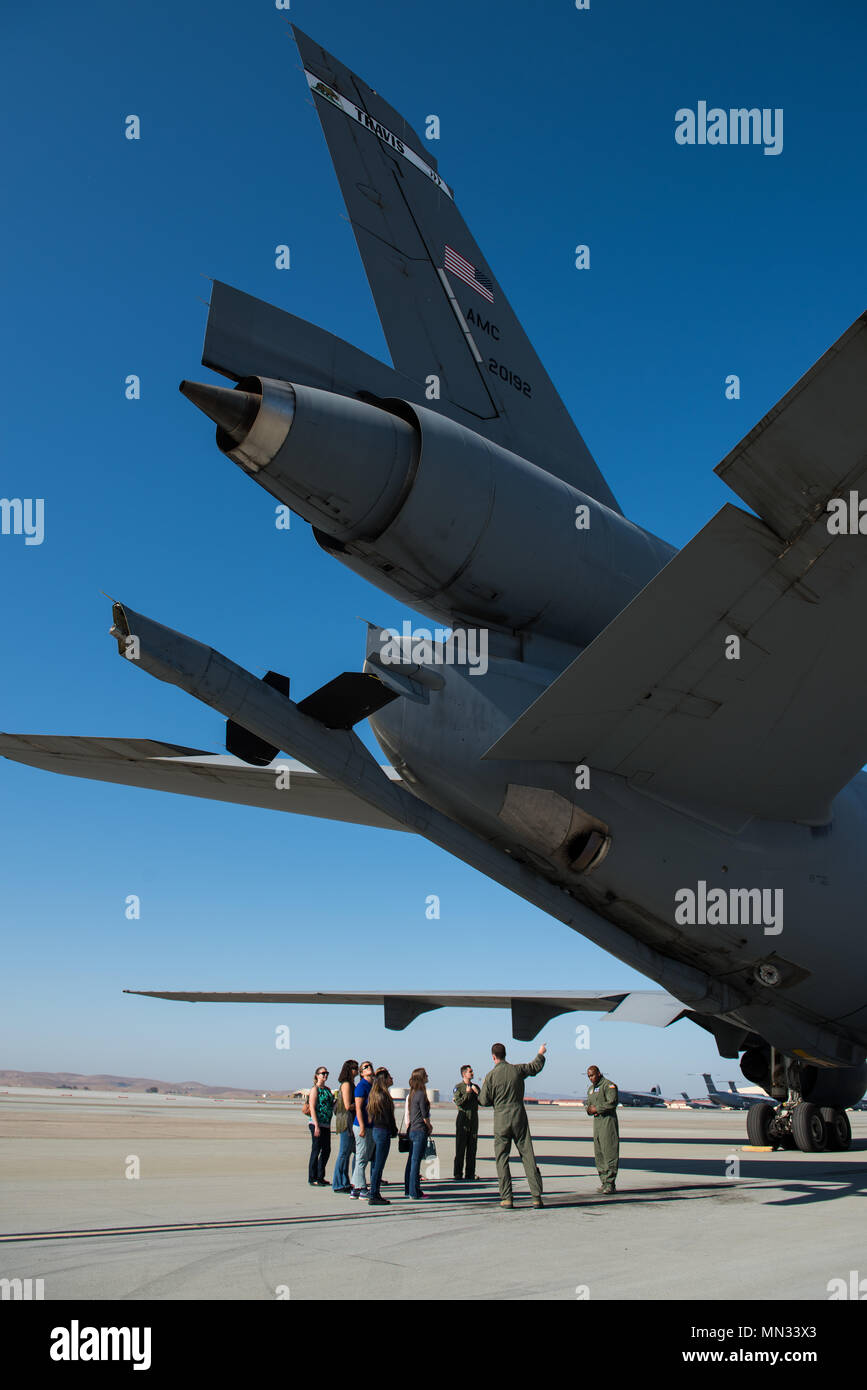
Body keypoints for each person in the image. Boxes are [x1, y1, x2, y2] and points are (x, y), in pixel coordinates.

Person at [478, 1042, 546, 1209]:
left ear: (493, 1056)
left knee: (502, 1158)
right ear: (505, 1054)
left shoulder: (491, 1076)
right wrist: (541, 1053)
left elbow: (484, 1101)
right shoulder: (517, 1070)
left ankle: (507, 1198)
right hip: (519, 1117)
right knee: (528, 1155)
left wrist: (481, 1092)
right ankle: (536, 1197)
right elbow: (535, 1067)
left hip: (501, 1120)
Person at [586, 1064, 619, 1194]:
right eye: (589, 1076)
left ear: (598, 1073)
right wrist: (589, 1110)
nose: (591, 1078)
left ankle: (610, 1183)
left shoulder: (609, 1086)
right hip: (597, 1124)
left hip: (608, 1123)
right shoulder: (590, 1090)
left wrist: (596, 1108)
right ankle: (604, 1181)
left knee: (609, 1152)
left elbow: (612, 1103)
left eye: (592, 1075)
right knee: (599, 1154)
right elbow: (589, 1105)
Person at [367, 1067, 397, 1206]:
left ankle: (374, 1192)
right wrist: (393, 1129)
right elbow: (388, 1117)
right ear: (384, 1079)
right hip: (382, 1131)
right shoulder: (383, 1096)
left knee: (376, 1164)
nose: (391, 1079)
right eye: (389, 1077)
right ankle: (374, 1194)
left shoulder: (375, 1094)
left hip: (377, 1130)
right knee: (378, 1164)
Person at [404, 1067, 432, 1199]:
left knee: (411, 1161)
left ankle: (408, 1189)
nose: (427, 1076)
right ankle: (414, 1191)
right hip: (420, 1130)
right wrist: (429, 1125)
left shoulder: (413, 1093)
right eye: (425, 1075)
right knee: (415, 1162)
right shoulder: (421, 1093)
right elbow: (424, 1114)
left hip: (412, 1130)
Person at [331, 1060, 358, 1193]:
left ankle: (344, 1181)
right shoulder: (347, 1084)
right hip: (346, 1121)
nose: (357, 1070)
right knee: (343, 1153)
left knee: (347, 1153)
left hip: (349, 1121)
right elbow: (348, 1105)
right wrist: (361, 1104)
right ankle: (338, 1183)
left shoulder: (351, 1084)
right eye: (354, 1068)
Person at [350, 1060, 375, 1199]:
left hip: (370, 1125)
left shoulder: (372, 1085)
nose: (369, 1068)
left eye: (370, 1066)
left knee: (364, 1157)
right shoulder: (361, 1086)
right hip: (361, 1126)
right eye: (365, 1067)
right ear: (361, 1072)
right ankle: (362, 1188)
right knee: (361, 1157)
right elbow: (358, 1108)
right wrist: (363, 1126)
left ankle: (355, 1188)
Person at [307, 1066, 334, 1186]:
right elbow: (312, 1106)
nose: (325, 1075)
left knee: (326, 1150)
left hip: (326, 1124)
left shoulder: (327, 1090)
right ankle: (312, 1178)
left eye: (326, 1073)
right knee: (316, 1149)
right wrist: (316, 1125)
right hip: (316, 1123)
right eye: (322, 1073)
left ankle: (320, 1175)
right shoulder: (315, 1089)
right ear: (317, 1075)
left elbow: (331, 1105)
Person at [452, 1064, 480, 1180]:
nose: (472, 1073)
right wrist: (468, 1093)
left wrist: (477, 1093)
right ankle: (458, 1173)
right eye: (470, 1072)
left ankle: (470, 1173)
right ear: (464, 1074)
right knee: (460, 1148)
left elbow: (483, 1100)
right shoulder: (458, 1087)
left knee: (472, 1148)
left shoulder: (476, 1087)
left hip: (473, 1119)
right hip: (463, 1119)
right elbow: (458, 1102)